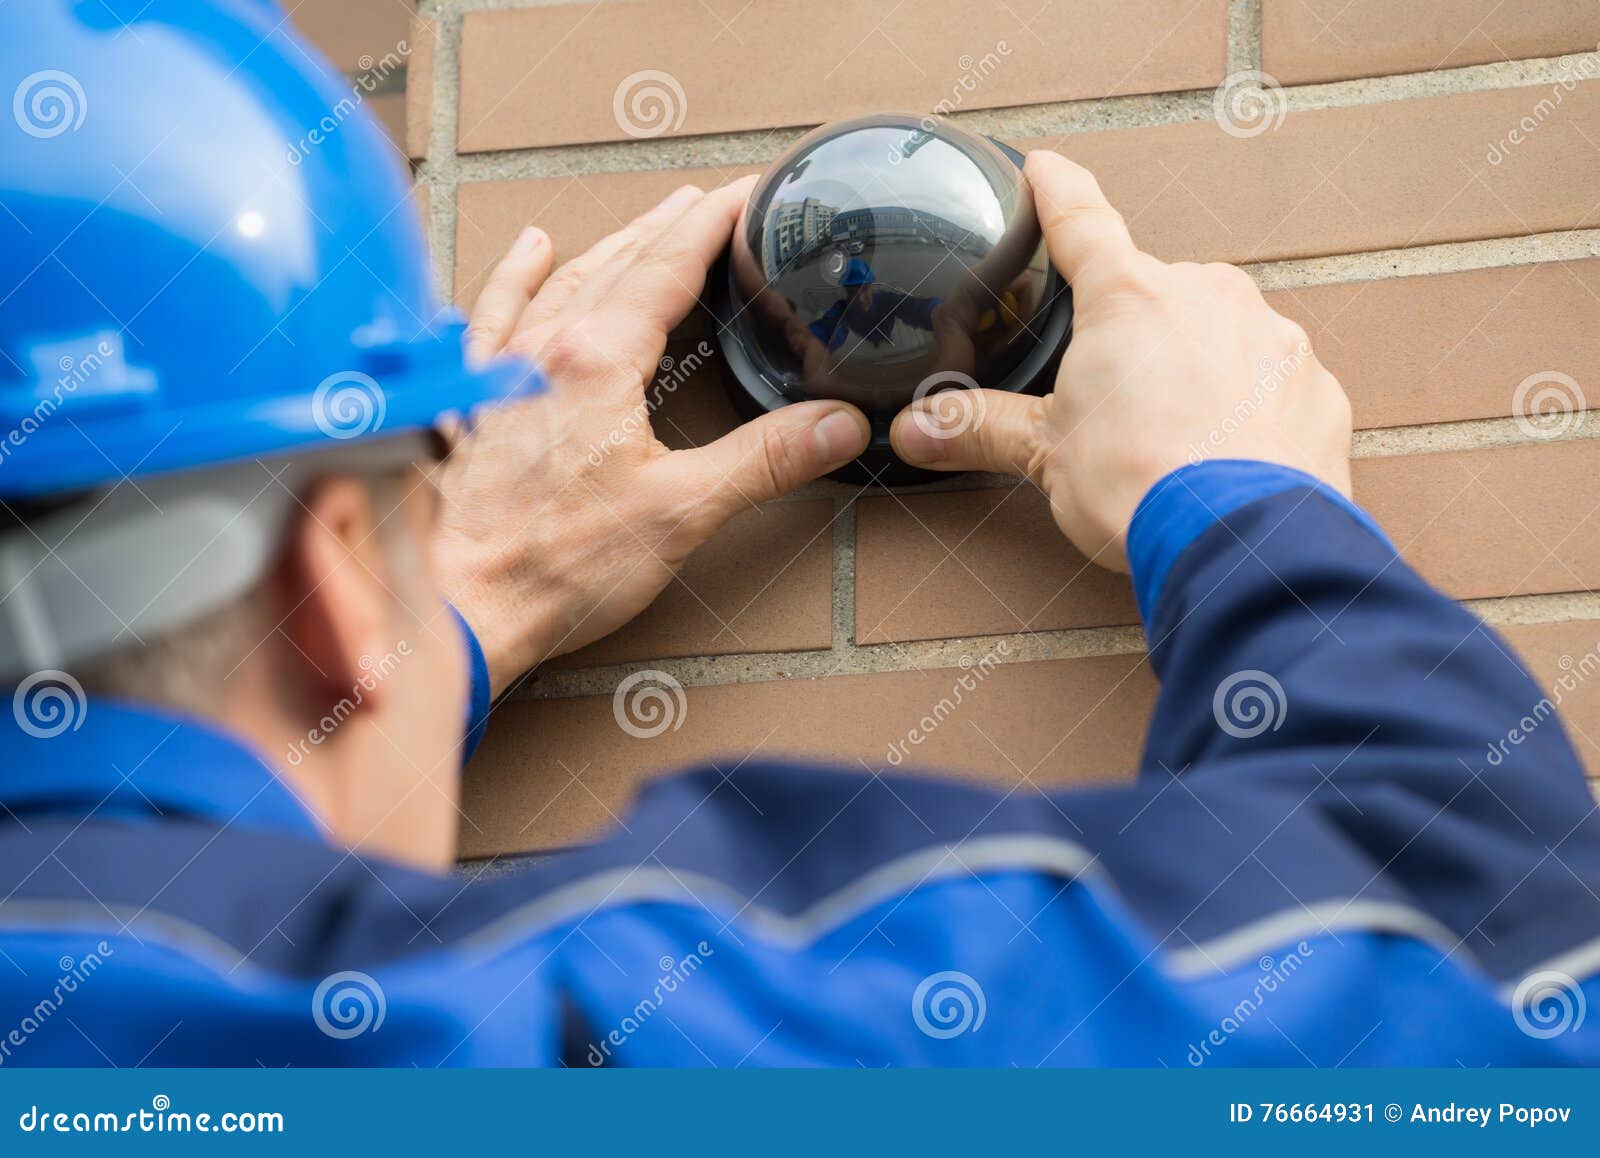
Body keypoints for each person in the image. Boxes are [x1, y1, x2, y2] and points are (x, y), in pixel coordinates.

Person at [2, 0, 1598, 1068]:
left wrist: (413, 614)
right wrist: (1250, 508)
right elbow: (1493, 963)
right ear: (336, 575)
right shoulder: (559, 1029)